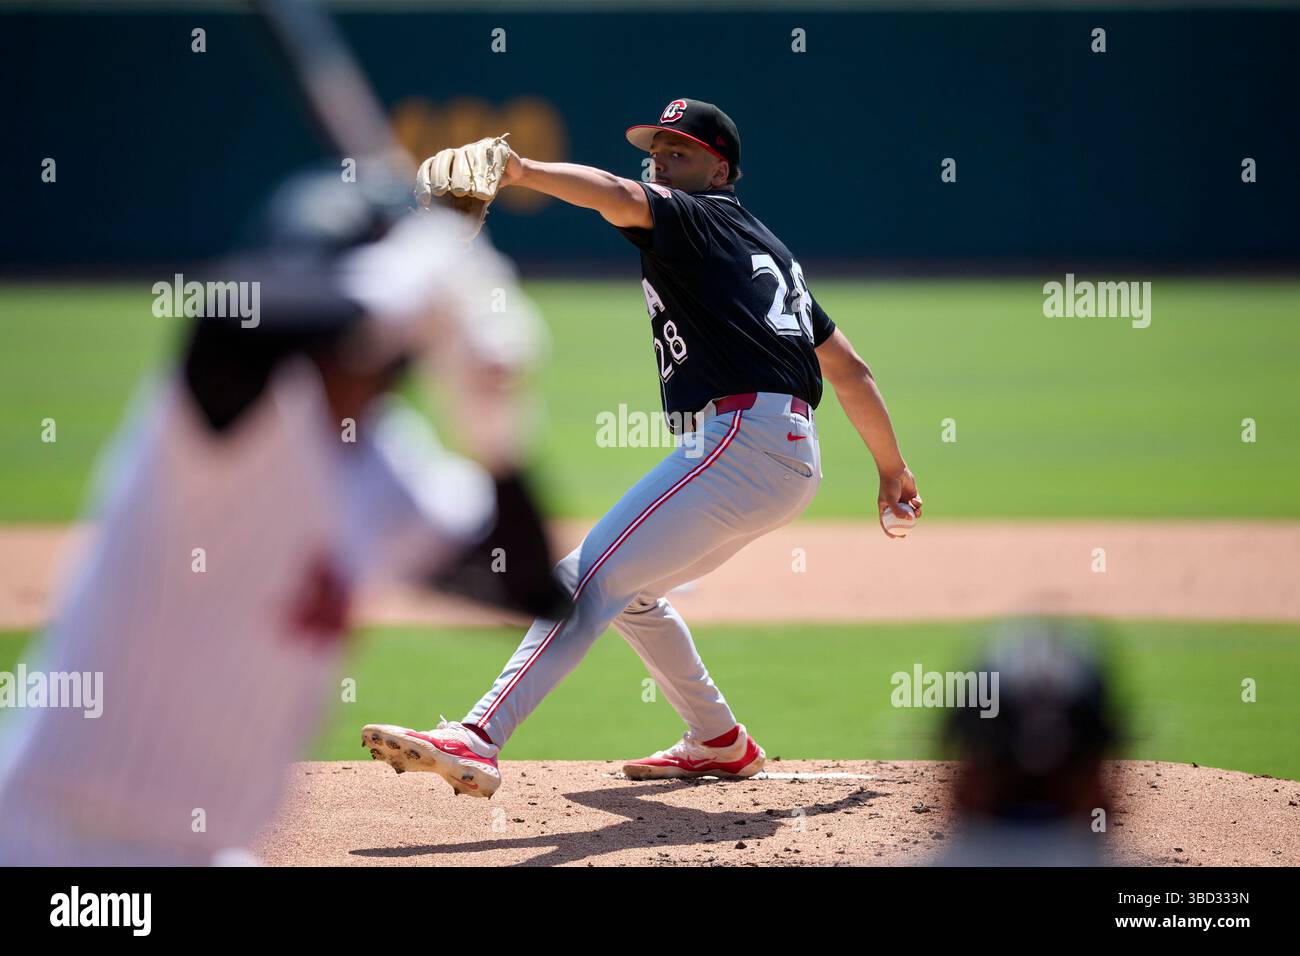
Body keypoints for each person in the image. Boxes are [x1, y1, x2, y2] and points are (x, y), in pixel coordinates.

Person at [362, 98, 922, 799]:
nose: (661, 162)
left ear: (721, 168)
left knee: (582, 576)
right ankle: (718, 739)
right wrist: (892, 469)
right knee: (632, 593)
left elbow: (622, 197)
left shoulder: (695, 215)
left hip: (742, 443)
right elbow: (848, 369)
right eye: (656, 152)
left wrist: (519, 168)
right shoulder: (764, 247)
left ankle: (477, 737)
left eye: (680, 152)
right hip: (781, 456)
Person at [0, 174, 566, 864]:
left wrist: (494, 430)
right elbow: (235, 318)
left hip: (208, 848)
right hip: (65, 848)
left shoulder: (380, 465)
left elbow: (528, 587)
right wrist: (419, 271)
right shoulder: (216, 431)